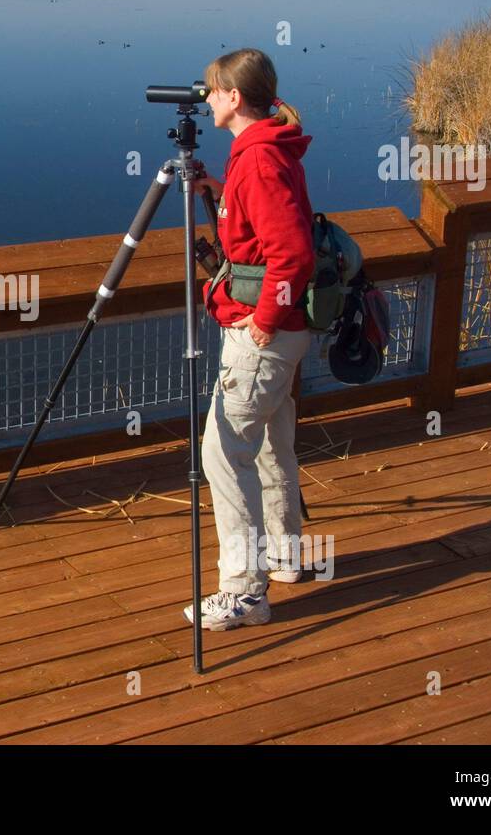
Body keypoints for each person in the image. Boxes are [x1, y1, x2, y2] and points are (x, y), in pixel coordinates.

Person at [183, 47, 316, 631]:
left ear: (234, 97)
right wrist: (219, 186)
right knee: (269, 441)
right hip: (284, 334)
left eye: (213, 90)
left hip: (264, 333)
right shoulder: (261, 149)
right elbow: (261, 231)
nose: (207, 98)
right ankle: (284, 554)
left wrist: (262, 321)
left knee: (223, 450)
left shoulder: (258, 158)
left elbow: (293, 254)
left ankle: (243, 591)